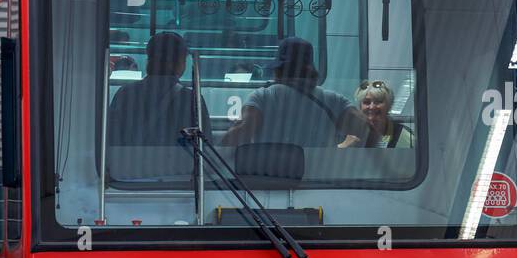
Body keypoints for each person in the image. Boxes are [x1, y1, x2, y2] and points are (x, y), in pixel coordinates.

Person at [221, 37, 368, 150]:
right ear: (310, 70)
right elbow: (367, 131)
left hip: (270, 181)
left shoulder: (263, 97)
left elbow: (240, 133)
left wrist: (213, 154)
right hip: (320, 182)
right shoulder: (334, 100)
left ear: (278, 70)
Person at [106, 31, 209, 180]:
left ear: (149, 60)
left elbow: (110, 141)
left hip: (130, 179)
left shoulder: (125, 94)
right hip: (179, 183)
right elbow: (205, 151)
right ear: (180, 62)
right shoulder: (192, 100)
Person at [354, 80, 413, 148]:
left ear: (389, 105)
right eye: (367, 102)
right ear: (360, 107)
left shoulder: (404, 135)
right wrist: (345, 147)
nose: (372, 107)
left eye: (378, 101)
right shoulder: (350, 132)